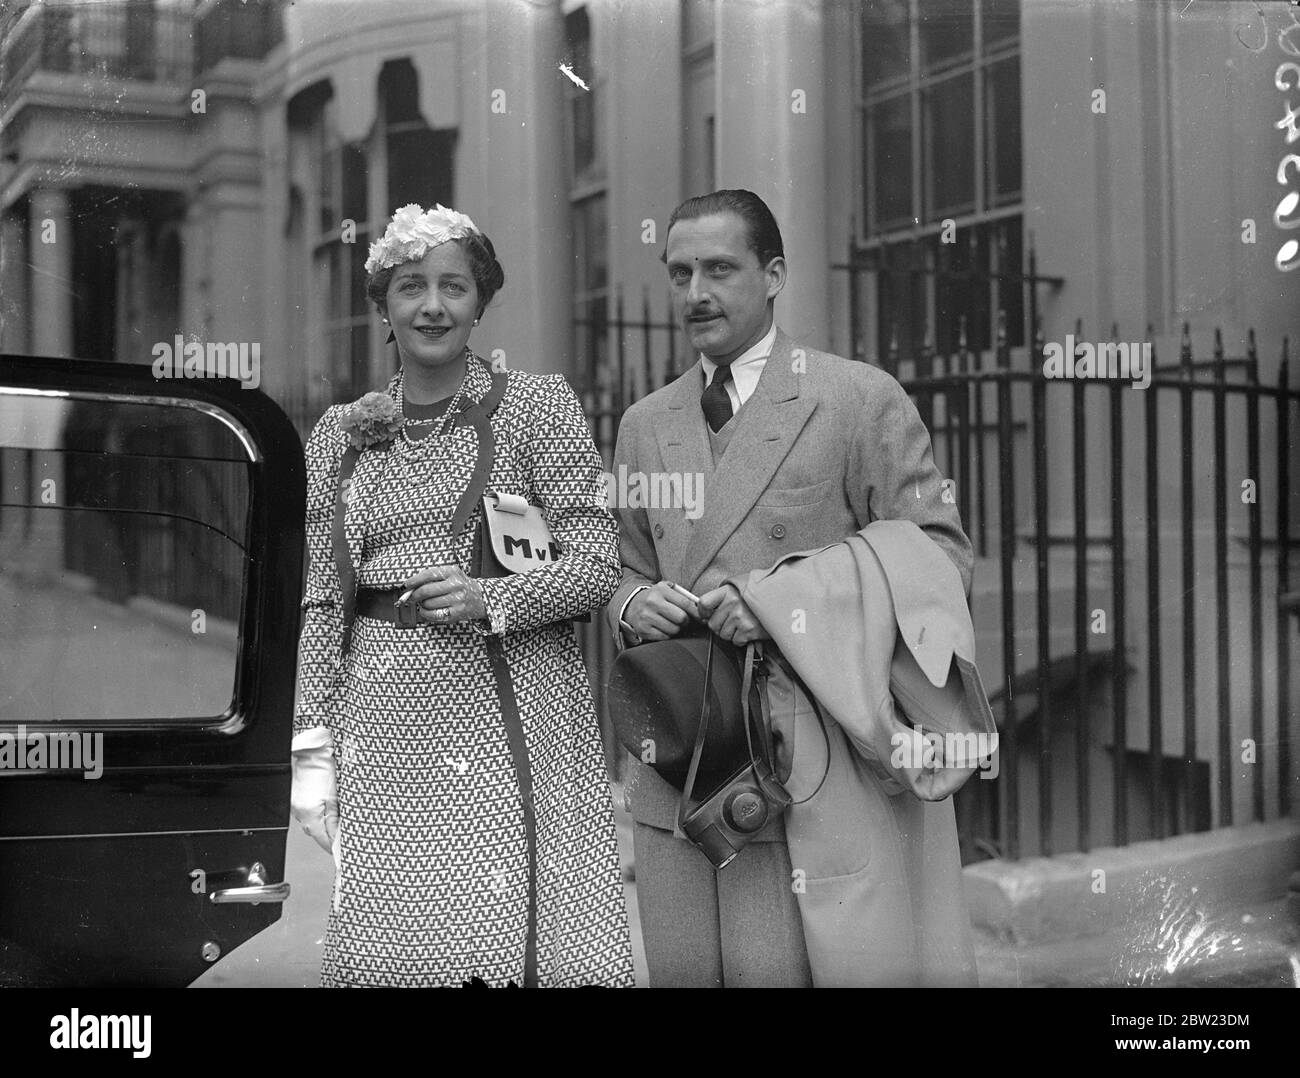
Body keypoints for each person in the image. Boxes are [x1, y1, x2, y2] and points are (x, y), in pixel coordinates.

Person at [608, 189, 975, 986]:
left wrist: (783, 603)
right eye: (679, 274)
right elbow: (622, 566)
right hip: (671, 755)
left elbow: (940, 559)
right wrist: (635, 603)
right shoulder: (646, 422)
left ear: (773, 274)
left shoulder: (854, 398)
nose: (696, 293)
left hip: (793, 759)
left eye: (719, 269)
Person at [291, 202, 634, 988]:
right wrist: (312, 741)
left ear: (481, 301)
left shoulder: (536, 406)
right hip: (381, 721)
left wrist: (489, 598)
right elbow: (318, 597)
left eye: (453, 286)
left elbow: (595, 564)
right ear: (383, 304)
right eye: (411, 286)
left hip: (507, 709)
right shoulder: (342, 431)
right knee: (402, 942)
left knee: (497, 938)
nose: (433, 306)